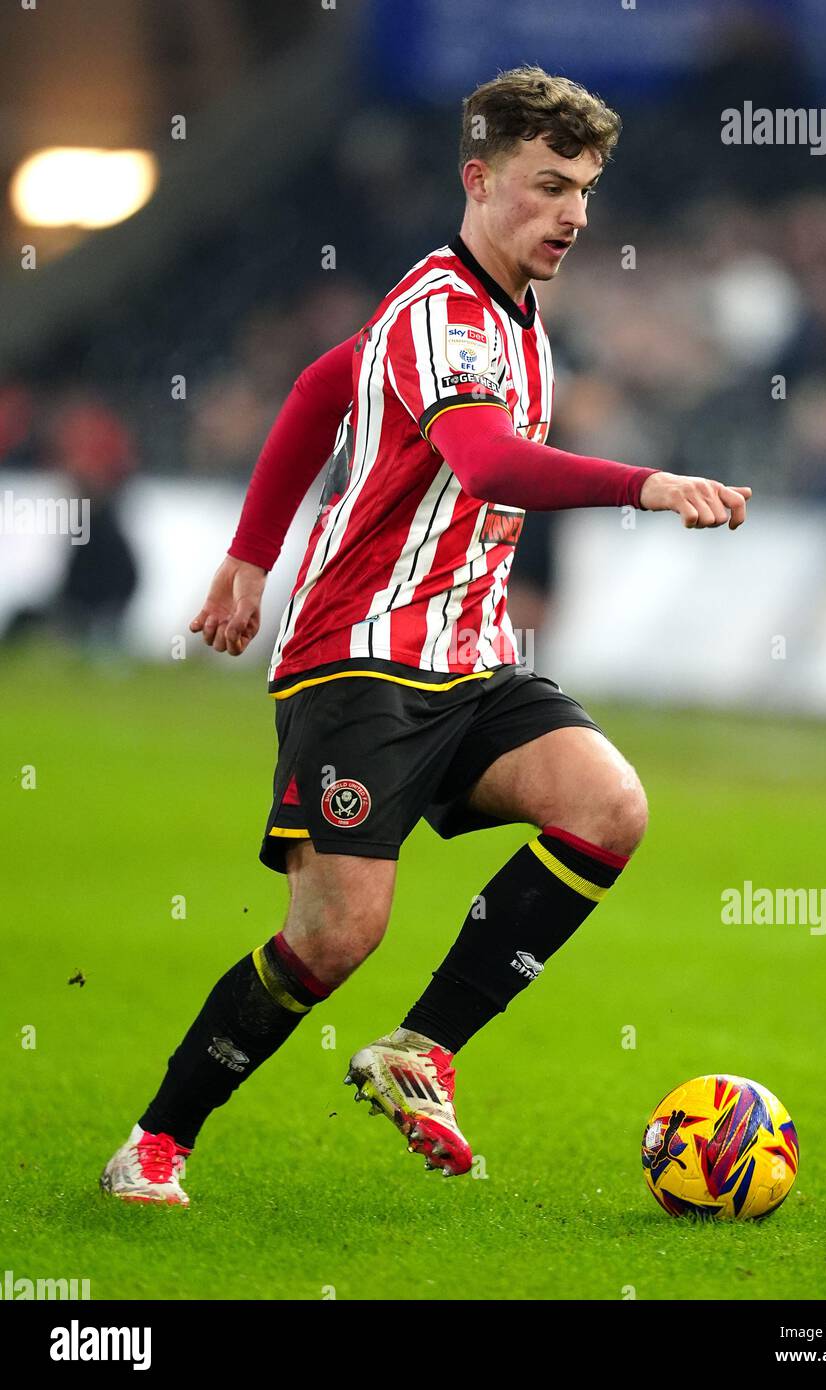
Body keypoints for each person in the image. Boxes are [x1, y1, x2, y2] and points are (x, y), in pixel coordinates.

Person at [101, 66, 751, 1205]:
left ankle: (423, 1049)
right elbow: (492, 463)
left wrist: (248, 553)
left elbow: (317, 388)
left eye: (586, 192)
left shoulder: (515, 319)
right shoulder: (441, 310)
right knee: (335, 937)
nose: (573, 216)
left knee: (610, 806)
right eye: (550, 186)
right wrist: (649, 482)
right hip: (358, 655)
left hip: (470, 656)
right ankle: (157, 1139)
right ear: (478, 178)